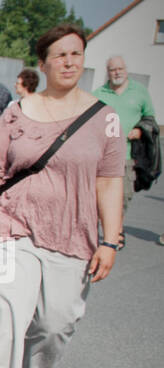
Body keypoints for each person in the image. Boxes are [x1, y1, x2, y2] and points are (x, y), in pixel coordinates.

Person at [0, 24, 123, 368]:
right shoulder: (17, 112)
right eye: (60, 55)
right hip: (11, 224)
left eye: (76, 54)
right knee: (5, 309)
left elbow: (109, 181)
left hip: (74, 232)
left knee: (57, 320)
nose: (69, 61)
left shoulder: (105, 118)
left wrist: (111, 239)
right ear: (43, 63)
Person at [93, 55, 156, 239]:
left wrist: (140, 130)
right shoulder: (99, 94)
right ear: (108, 72)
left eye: (120, 68)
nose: (117, 72)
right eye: (113, 69)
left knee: (123, 197)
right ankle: (101, 234)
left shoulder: (140, 92)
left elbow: (150, 120)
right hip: (102, 156)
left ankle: (114, 231)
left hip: (128, 156)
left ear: (126, 69)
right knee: (97, 197)